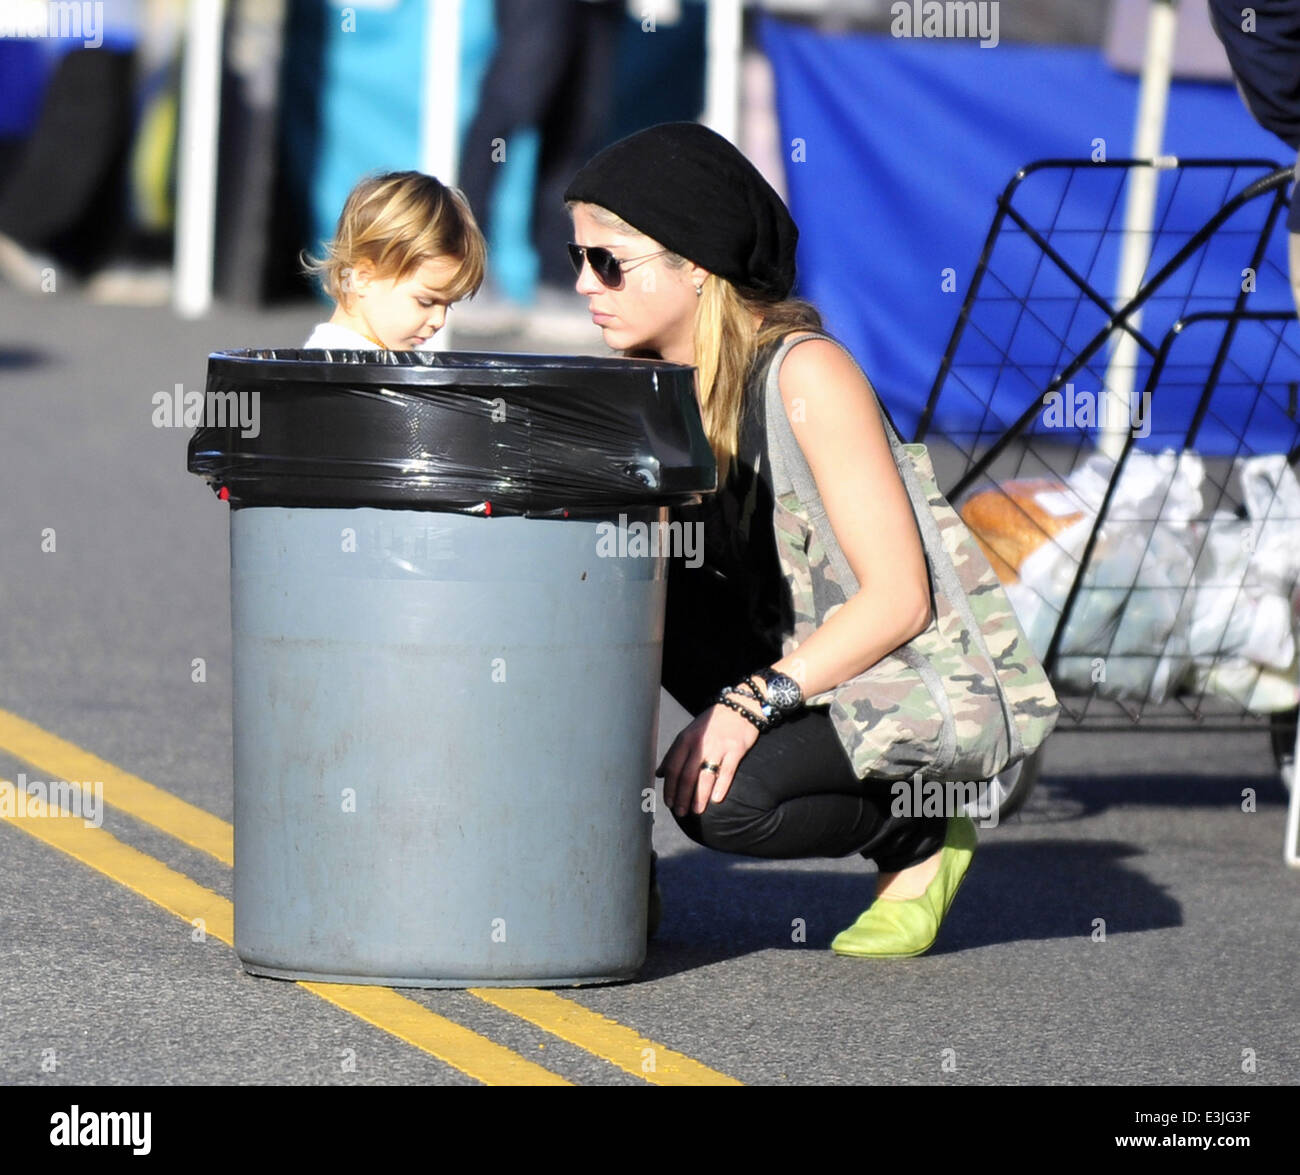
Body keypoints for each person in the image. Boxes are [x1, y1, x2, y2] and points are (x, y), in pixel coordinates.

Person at [563, 122, 976, 958]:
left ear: (697, 265)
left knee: (721, 803)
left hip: (892, 670)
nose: (582, 283)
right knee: (587, 582)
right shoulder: (655, 380)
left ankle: (920, 831)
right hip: (786, 650)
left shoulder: (807, 375)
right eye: (576, 257)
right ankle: (608, 867)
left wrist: (744, 706)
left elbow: (900, 600)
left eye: (608, 260)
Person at [301, 171, 487, 350]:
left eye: (449, 305)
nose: (440, 321)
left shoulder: (374, 362)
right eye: (426, 302)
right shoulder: (339, 371)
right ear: (363, 278)